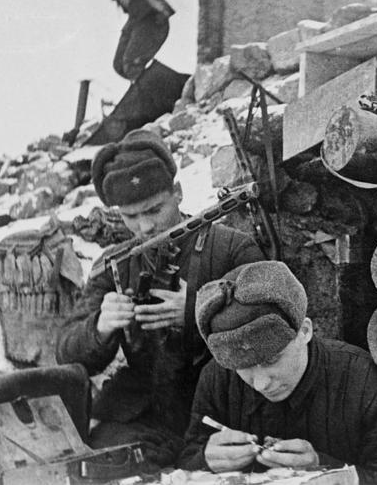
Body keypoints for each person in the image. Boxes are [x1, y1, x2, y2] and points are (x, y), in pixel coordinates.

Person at [56, 129, 263, 471]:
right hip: (144, 418)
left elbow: (268, 325)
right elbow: (66, 350)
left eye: (155, 209)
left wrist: (198, 312)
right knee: (97, 467)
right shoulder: (114, 263)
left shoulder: (230, 247)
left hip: (223, 410)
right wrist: (100, 327)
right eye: (130, 216)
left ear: (178, 194)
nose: (146, 226)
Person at [178, 260, 377, 485]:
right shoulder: (217, 377)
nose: (261, 383)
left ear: (304, 331)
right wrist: (205, 460)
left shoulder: (363, 381)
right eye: (243, 366)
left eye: (272, 359)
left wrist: (325, 468)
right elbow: (186, 459)